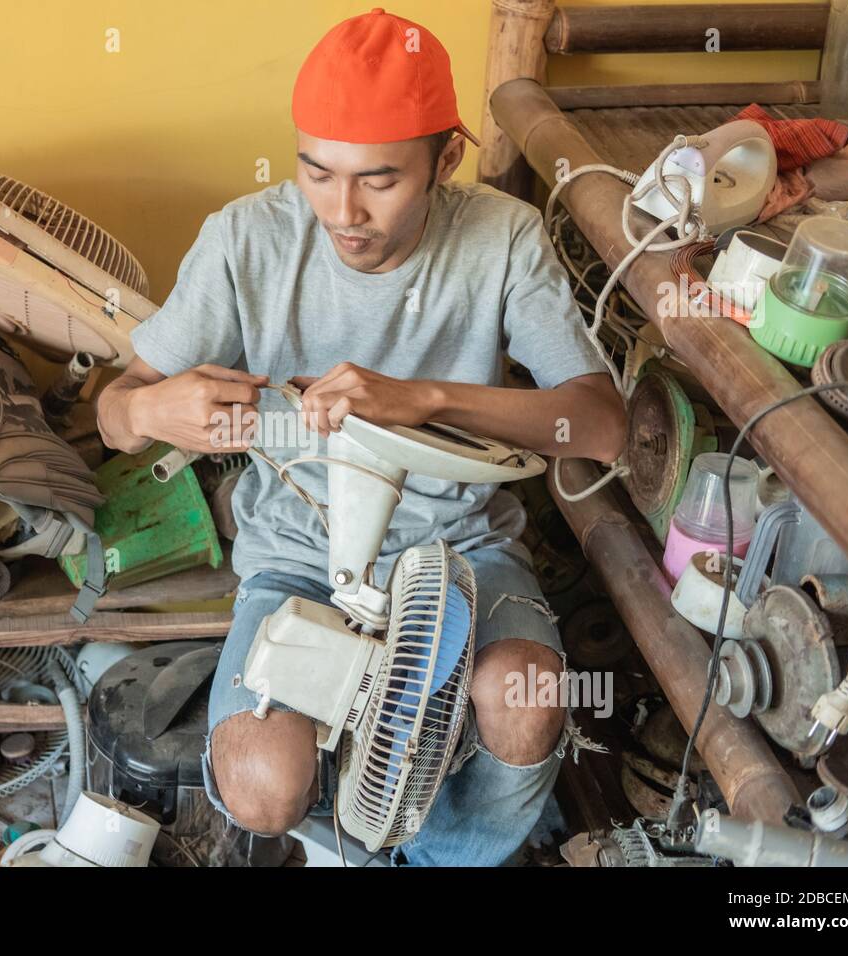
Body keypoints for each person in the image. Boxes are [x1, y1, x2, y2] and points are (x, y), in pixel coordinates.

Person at [97, 8, 626, 865]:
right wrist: (148, 413)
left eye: (380, 180)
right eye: (317, 171)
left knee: (525, 701)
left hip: (460, 551)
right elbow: (110, 408)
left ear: (446, 159)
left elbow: (599, 425)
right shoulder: (246, 240)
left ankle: (453, 855)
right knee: (262, 782)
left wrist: (420, 398)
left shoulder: (500, 237)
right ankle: (347, 841)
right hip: (298, 559)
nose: (343, 212)